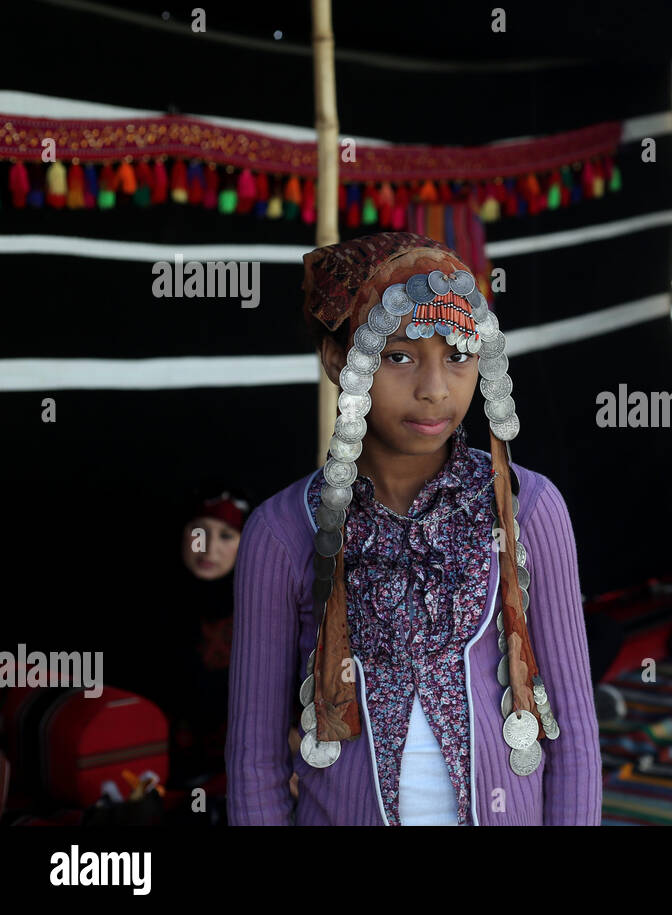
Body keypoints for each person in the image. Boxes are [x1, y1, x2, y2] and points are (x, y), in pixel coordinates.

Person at [226, 233, 601, 825]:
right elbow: (253, 763)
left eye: (458, 355)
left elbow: (576, 736)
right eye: (399, 356)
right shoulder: (281, 533)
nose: (434, 389)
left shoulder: (530, 510)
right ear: (336, 360)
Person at [163, 486, 251, 787]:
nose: (209, 548)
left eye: (226, 536)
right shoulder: (154, 609)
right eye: (199, 533)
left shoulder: (265, 612)